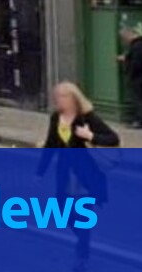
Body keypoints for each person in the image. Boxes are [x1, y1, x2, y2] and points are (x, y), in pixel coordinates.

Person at [38, 81, 120, 268]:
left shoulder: (87, 118)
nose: (58, 100)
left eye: (62, 96)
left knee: (82, 212)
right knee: (62, 211)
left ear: (74, 99)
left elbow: (113, 138)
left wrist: (90, 136)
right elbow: (51, 144)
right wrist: (40, 171)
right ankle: (83, 239)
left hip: (84, 174)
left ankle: (82, 250)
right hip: (64, 173)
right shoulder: (56, 117)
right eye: (57, 96)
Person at [118, 28, 142, 129]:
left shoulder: (138, 45)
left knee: (138, 98)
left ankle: (140, 120)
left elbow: (137, 62)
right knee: (138, 97)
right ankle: (140, 119)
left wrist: (129, 69)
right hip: (139, 75)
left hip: (138, 76)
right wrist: (126, 58)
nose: (124, 41)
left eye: (124, 38)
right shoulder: (139, 44)